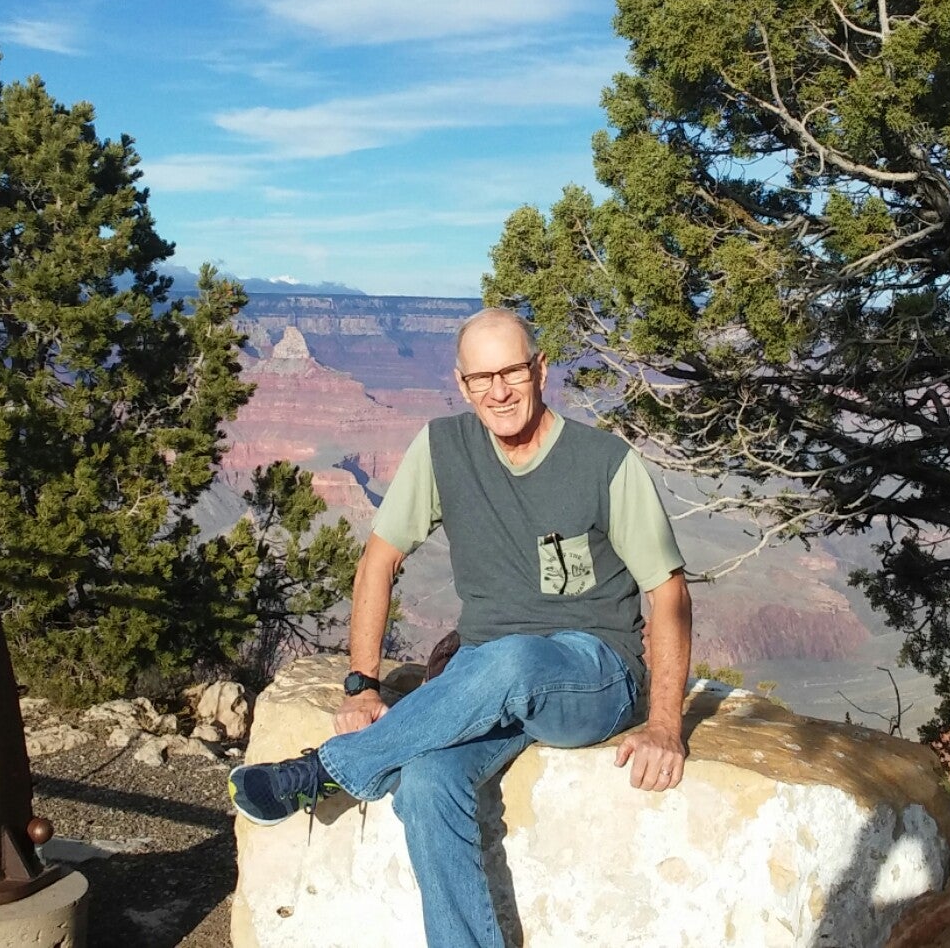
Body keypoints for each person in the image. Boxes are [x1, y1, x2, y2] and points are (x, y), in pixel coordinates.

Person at [228, 307, 692, 948]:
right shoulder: (443, 447)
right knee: (425, 782)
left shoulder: (605, 462)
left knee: (511, 660)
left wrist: (665, 725)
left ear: (540, 369)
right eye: (481, 378)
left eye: (511, 372)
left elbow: (667, 592)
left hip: (590, 674)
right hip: (486, 673)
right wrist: (362, 684)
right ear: (461, 382)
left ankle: (325, 773)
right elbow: (379, 559)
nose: (498, 391)